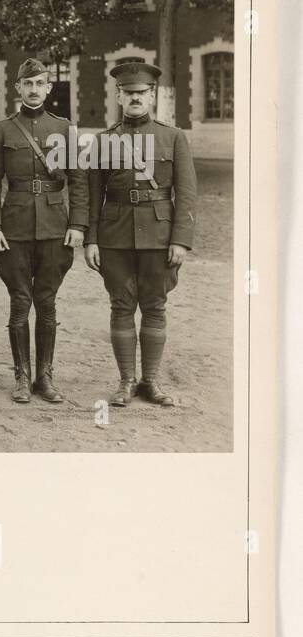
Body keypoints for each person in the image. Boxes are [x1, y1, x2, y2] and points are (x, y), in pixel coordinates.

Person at [84, 61, 197, 408]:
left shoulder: (173, 137)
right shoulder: (103, 142)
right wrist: (91, 239)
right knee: (121, 306)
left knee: (155, 306)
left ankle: (151, 381)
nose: (135, 98)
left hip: (160, 235)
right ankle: (126, 382)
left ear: (152, 96)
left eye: (141, 93)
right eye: (128, 93)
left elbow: (187, 192)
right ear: (119, 96)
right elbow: (93, 195)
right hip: (115, 235)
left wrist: (180, 238)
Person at [0, 58, 88, 403]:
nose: (33, 90)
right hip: (13, 228)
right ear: (18, 89)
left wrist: (78, 224)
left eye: (39, 84)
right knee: (19, 301)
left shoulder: (64, 128)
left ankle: (45, 376)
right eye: (26, 84)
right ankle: (21, 376)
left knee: (46, 301)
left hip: (56, 227)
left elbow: (79, 181)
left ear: (48, 88)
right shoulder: (2, 130)